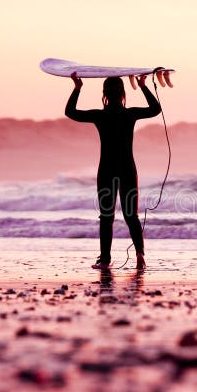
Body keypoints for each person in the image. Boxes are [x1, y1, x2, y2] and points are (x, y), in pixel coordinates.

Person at [65, 71, 162, 270]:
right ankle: (140, 255)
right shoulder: (129, 114)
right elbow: (155, 109)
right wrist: (143, 85)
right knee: (131, 215)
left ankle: (106, 259)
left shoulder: (100, 116)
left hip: (107, 169)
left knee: (106, 216)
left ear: (105, 94)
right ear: (123, 93)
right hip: (127, 167)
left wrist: (77, 88)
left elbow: (71, 112)